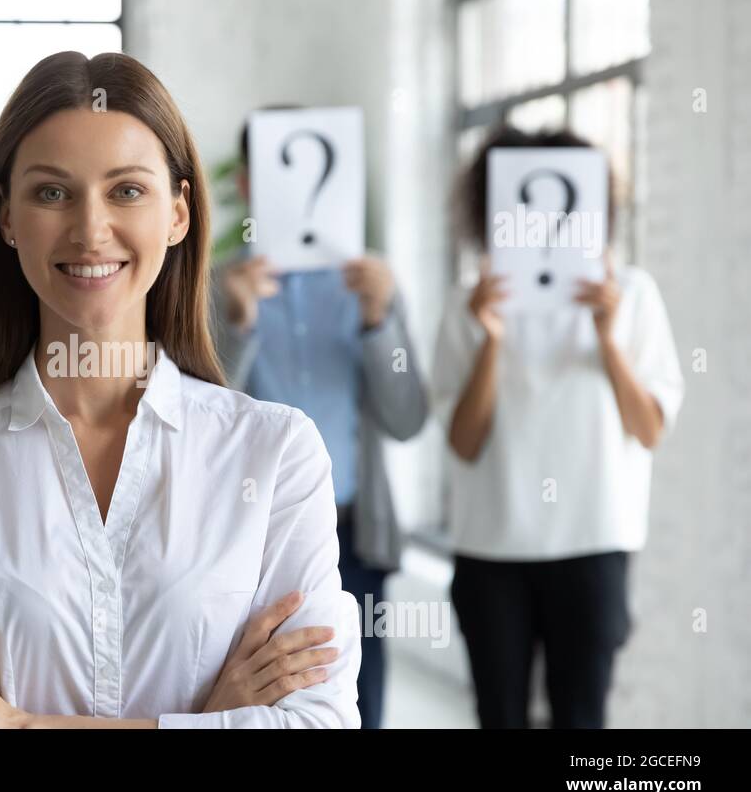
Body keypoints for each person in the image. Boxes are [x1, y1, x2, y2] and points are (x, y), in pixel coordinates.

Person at [0, 51, 362, 729]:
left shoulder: (274, 451)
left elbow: (318, 722)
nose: (91, 230)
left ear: (178, 212)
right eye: (52, 192)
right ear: (6, 217)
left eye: (126, 190)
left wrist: (11, 722)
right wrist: (213, 716)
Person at [433, 126, 685, 728]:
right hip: (492, 549)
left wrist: (608, 341)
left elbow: (649, 428)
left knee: (583, 720)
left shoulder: (632, 296)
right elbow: (464, 443)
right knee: (500, 715)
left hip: (593, 541)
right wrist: (490, 340)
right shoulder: (469, 303)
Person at [214, 109, 429, 729]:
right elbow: (196, 417)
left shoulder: (373, 286)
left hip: (352, 533)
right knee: (257, 706)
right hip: (244, 539)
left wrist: (379, 320)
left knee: (358, 706)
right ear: (249, 186)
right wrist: (237, 324)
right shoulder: (216, 285)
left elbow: (407, 416)